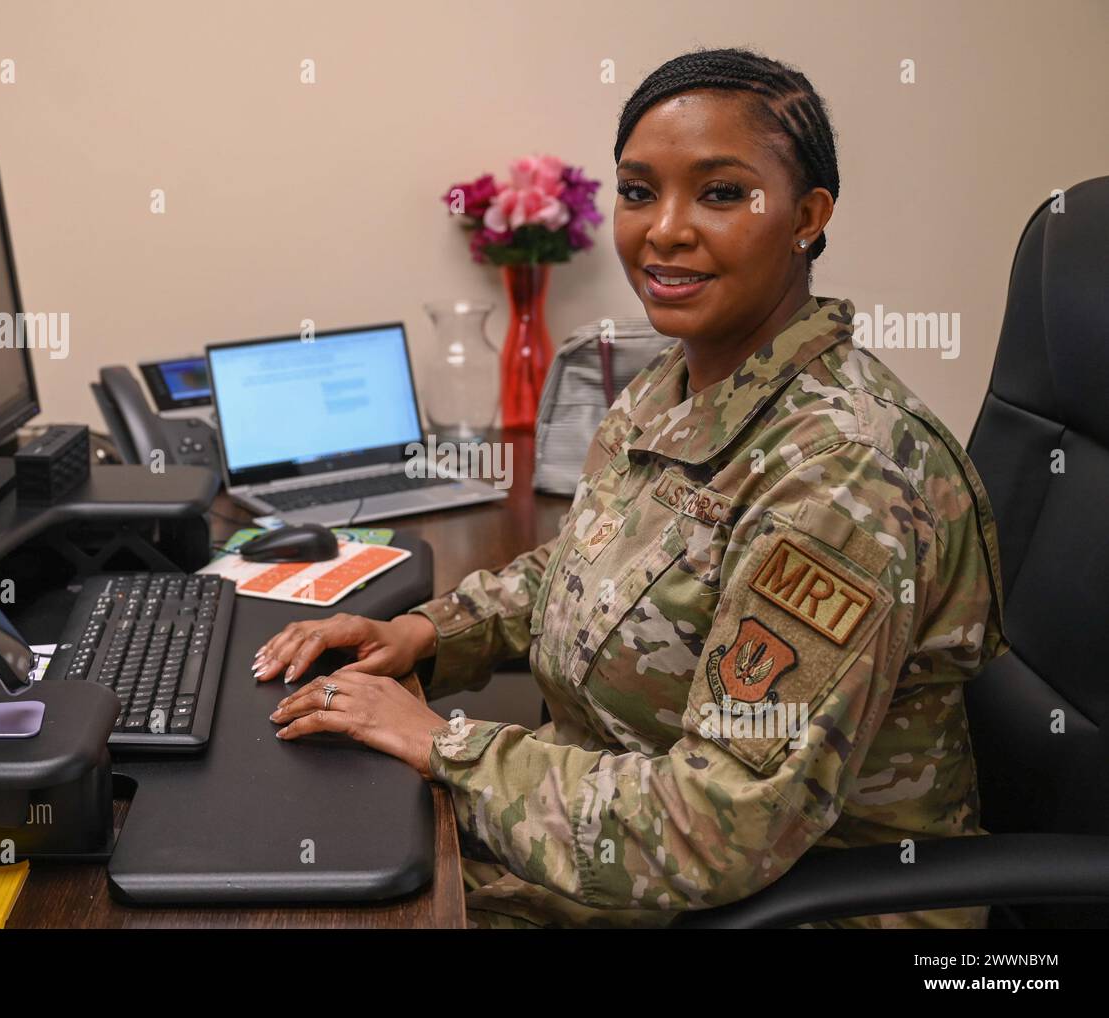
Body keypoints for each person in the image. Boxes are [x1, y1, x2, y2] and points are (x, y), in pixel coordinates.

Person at [257, 46, 1008, 929]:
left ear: (807, 217)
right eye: (640, 191)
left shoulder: (843, 474)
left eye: (721, 193)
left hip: (788, 901)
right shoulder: (675, 383)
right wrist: (425, 632)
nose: (665, 230)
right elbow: (586, 565)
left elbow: (717, 827)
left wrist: (446, 746)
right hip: (614, 847)